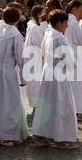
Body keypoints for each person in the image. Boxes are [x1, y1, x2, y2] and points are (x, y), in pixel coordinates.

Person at [31, 11, 77, 148]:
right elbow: (68, 59)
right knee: (61, 104)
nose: (67, 26)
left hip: (48, 71)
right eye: (66, 23)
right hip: (58, 74)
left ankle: (43, 133)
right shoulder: (60, 38)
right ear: (59, 23)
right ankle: (60, 137)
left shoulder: (48, 34)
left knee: (48, 104)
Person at [0, 7, 27, 145]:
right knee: (10, 101)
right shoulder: (15, 34)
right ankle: (8, 134)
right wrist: (23, 76)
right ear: (16, 20)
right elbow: (20, 57)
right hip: (8, 71)